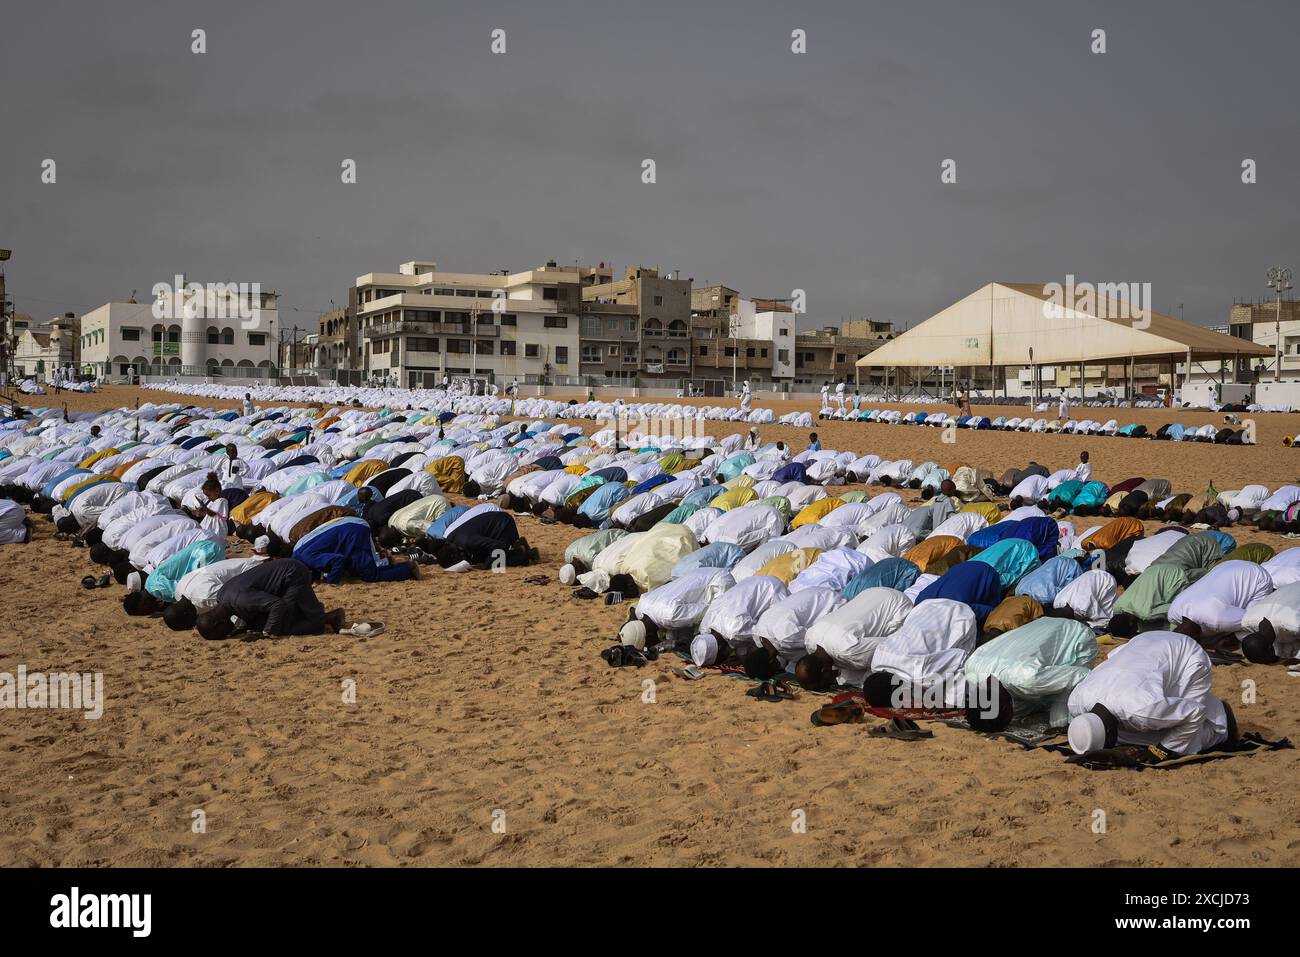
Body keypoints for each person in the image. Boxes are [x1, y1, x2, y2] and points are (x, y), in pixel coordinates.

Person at [1066, 631, 1236, 757]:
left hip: (1186, 654)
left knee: (1185, 737)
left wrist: (1161, 751)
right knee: (1137, 733)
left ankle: (1222, 720)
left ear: (1110, 730)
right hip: (1142, 643)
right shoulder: (1075, 702)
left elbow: (1195, 712)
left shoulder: (1143, 709)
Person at [194, 558, 346, 640]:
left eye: (221, 634)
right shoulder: (222, 596)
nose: (226, 635)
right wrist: (244, 627)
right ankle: (310, 610)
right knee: (262, 623)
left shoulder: (239, 600)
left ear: (218, 623)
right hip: (285, 575)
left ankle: (330, 617)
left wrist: (266, 633)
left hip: (293, 575)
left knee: (282, 629)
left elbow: (277, 605)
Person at [293, 515, 420, 584]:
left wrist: (331, 582)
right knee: (357, 570)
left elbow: (337, 560)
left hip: (353, 532)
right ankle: (392, 564)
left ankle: (408, 569)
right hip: (348, 527)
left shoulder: (305, 557)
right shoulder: (298, 551)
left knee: (369, 575)